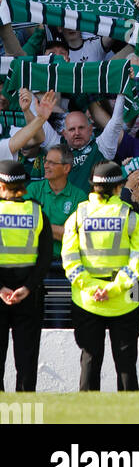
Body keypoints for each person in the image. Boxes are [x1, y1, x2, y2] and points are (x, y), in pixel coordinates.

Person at [61, 160, 139, 392]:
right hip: (125, 300)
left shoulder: (77, 217)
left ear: (93, 187)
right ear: (119, 187)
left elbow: (70, 261)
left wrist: (91, 288)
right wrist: (114, 288)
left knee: (89, 361)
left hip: (87, 300)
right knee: (126, 365)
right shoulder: (131, 218)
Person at [0, 160, 52, 391]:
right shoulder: (37, 211)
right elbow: (45, 257)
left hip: (0, 293)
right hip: (28, 295)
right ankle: (25, 411)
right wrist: (28, 288)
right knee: (27, 360)